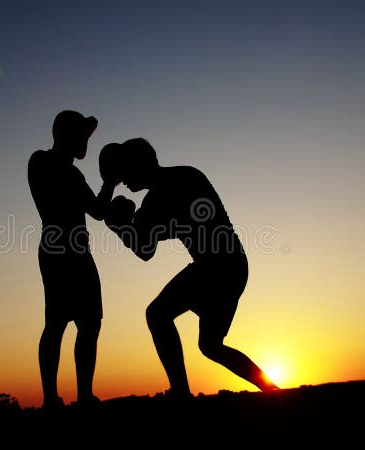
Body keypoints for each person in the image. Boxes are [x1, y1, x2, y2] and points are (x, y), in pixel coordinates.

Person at [100, 137, 279, 399]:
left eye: (124, 171)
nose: (122, 181)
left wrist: (122, 224)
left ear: (139, 164)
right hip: (231, 265)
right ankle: (271, 388)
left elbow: (145, 248)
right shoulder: (177, 182)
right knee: (210, 345)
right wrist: (125, 225)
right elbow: (147, 247)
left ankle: (181, 393)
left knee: (158, 315)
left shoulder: (174, 184)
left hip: (217, 265)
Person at [27, 110, 116, 409]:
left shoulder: (74, 173)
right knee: (56, 323)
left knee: (90, 324)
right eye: (80, 137)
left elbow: (98, 211)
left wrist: (109, 183)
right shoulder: (41, 160)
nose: (85, 146)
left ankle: (84, 396)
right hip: (57, 252)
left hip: (80, 253)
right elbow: (54, 199)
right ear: (65, 135)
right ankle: (50, 398)